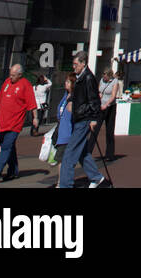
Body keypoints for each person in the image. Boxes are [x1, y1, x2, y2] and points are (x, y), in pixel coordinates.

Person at [58, 52, 106, 189]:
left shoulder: (88, 78)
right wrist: (72, 100)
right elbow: (80, 96)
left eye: (76, 64)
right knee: (82, 152)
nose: (74, 67)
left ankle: (65, 185)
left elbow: (94, 100)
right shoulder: (80, 77)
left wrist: (93, 119)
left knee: (69, 154)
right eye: (73, 64)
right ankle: (96, 177)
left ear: (83, 63)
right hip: (78, 117)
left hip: (84, 118)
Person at [0, 64, 37, 184]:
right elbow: (0, 100)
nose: (11, 77)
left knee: (6, 146)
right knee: (7, 146)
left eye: (14, 75)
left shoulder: (25, 85)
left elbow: (32, 102)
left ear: (20, 75)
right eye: (10, 74)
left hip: (15, 122)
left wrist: (35, 117)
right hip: (3, 121)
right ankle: (13, 171)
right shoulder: (7, 82)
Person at [92, 68, 119, 162]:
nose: (104, 77)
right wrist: (98, 95)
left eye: (106, 76)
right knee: (95, 128)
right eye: (103, 75)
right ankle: (88, 151)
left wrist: (106, 104)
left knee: (109, 131)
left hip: (110, 107)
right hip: (100, 106)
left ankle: (110, 154)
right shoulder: (101, 80)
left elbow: (113, 95)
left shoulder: (115, 82)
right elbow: (98, 90)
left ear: (109, 76)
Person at [53, 75, 75, 187]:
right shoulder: (65, 96)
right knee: (61, 160)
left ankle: (63, 182)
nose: (66, 83)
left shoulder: (75, 97)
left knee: (64, 160)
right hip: (61, 132)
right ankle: (61, 181)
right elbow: (59, 112)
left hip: (68, 133)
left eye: (68, 82)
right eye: (66, 81)